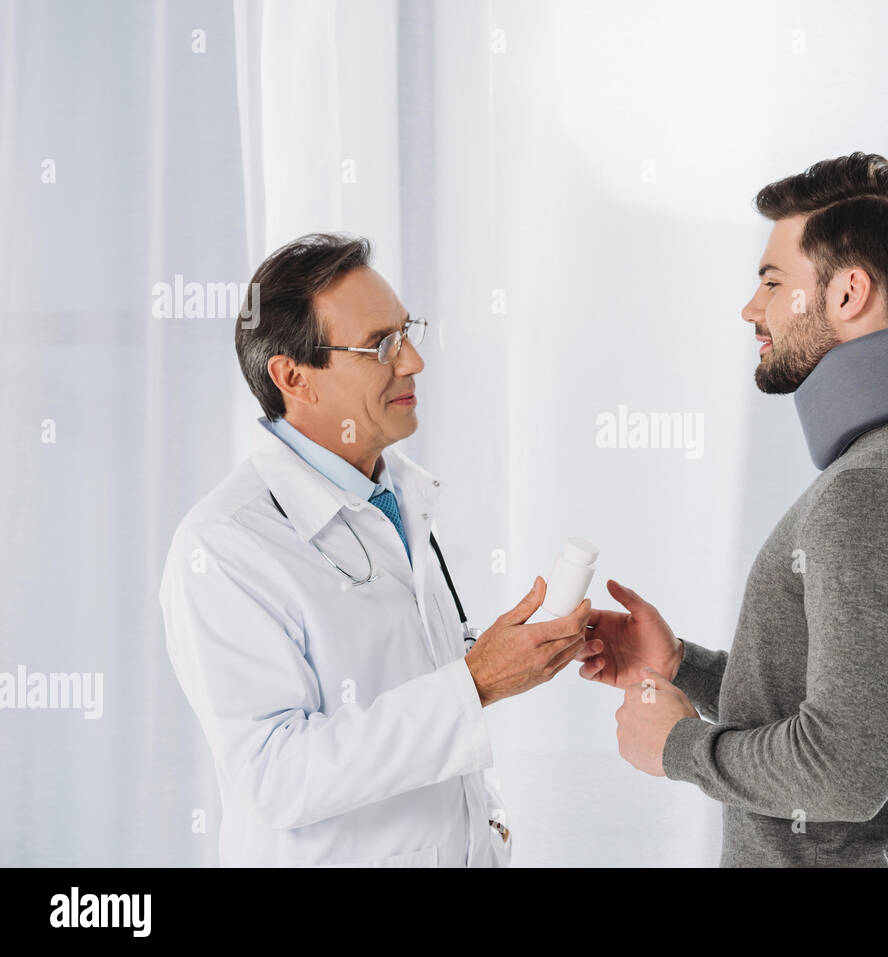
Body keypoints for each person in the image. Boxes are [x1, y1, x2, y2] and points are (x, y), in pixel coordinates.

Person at [576, 153, 888, 867]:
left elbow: (845, 769)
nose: (751, 308)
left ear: (848, 292)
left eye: (772, 282)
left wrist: (679, 747)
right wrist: (682, 666)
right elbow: (855, 697)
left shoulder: (877, 488)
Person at [158, 233, 591, 867]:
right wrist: (475, 684)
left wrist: (519, 651)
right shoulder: (225, 545)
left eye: (407, 331)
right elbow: (274, 776)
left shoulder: (395, 496)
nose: (412, 360)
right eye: (381, 345)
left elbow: (405, 675)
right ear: (292, 377)